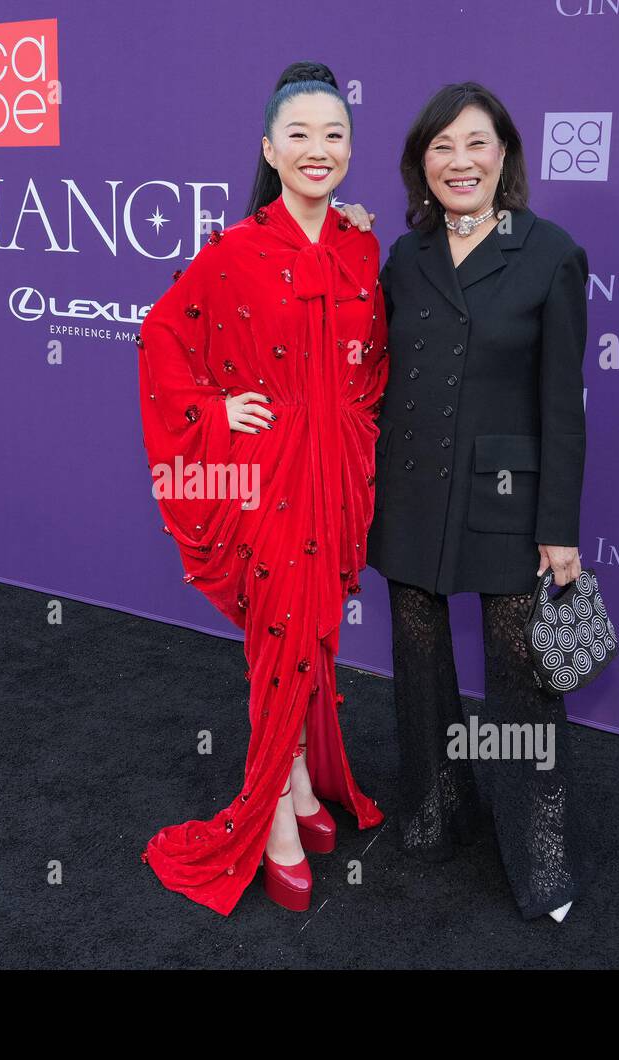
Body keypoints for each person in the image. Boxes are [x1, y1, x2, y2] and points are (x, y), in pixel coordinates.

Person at [136, 72, 388, 915]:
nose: (320, 151)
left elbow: (373, 358)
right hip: (269, 484)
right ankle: (275, 811)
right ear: (270, 150)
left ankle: (310, 789)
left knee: (314, 641)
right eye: (302, 135)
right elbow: (163, 335)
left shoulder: (360, 245)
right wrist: (214, 408)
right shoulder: (235, 250)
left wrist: (353, 428)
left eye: (336, 135)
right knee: (278, 647)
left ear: (351, 151)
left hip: (337, 480)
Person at [346, 81, 597, 922]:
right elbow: (372, 364)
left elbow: (564, 407)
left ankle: (541, 858)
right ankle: (435, 812)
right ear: (422, 163)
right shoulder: (405, 256)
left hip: (508, 502)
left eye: (477, 144)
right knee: (418, 668)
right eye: (442, 146)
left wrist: (558, 527)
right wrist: (344, 245)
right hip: (410, 490)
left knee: (522, 687)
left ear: (505, 157)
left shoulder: (551, 253)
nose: (460, 161)